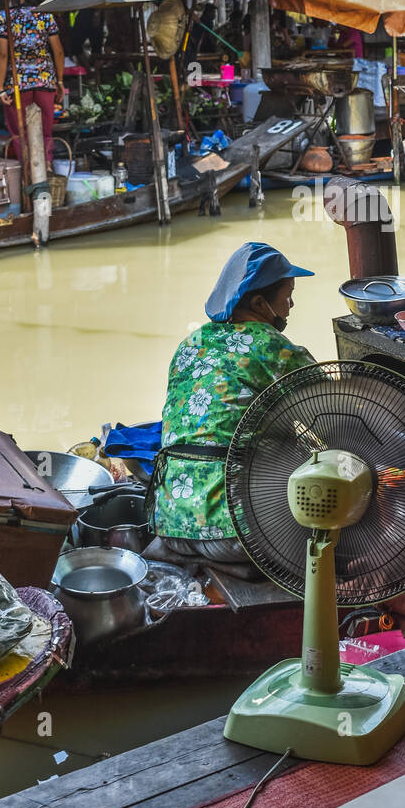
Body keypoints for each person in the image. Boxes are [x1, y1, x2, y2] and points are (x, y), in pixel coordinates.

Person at [146, 243, 316, 572]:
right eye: (287, 295)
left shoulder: (192, 343)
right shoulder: (274, 347)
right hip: (233, 531)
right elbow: (333, 415)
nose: (291, 305)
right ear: (258, 303)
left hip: (168, 521)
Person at [0, 0, 64, 163]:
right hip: (44, 80)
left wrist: (0, 87)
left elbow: (2, 54)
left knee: (19, 132)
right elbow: (58, 51)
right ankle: (46, 167)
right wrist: (59, 81)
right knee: (45, 130)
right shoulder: (45, 15)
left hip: (18, 83)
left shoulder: (4, 16)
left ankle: (27, 172)